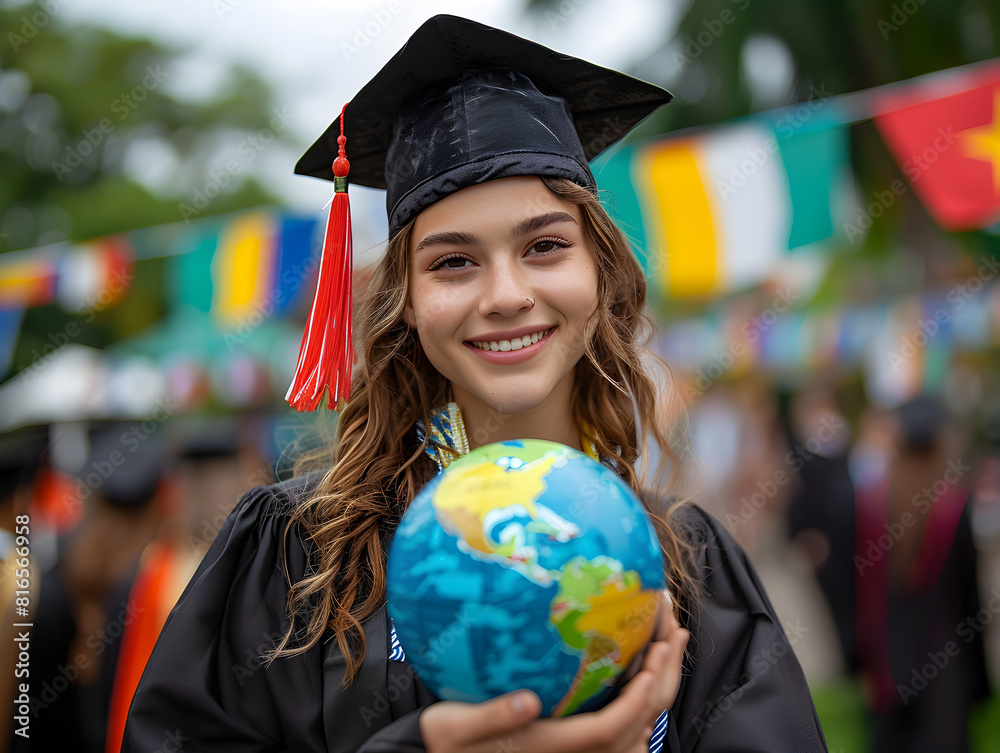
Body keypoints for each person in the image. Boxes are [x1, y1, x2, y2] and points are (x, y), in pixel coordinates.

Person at [121, 15, 829, 753]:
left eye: (545, 246)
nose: (505, 293)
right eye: (454, 262)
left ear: (602, 273)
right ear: (408, 304)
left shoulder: (688, 565)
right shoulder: (303, 556)